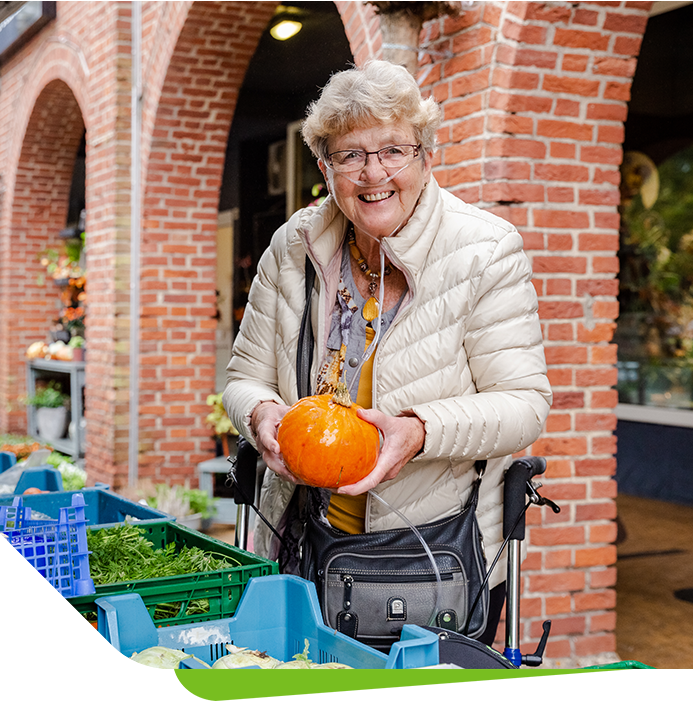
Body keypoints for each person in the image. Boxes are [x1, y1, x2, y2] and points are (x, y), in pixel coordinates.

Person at [222, 60, 552, 645]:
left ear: (426, 156)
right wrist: (259, 416)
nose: (373, 173)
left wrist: (420, 431)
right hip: (305, 544)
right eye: (350, 155)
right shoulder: (292, 246)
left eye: (394, 150)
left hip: (436, 555)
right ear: (325, 168)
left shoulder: (485, 250)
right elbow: (244, 376)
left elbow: (524, 405)